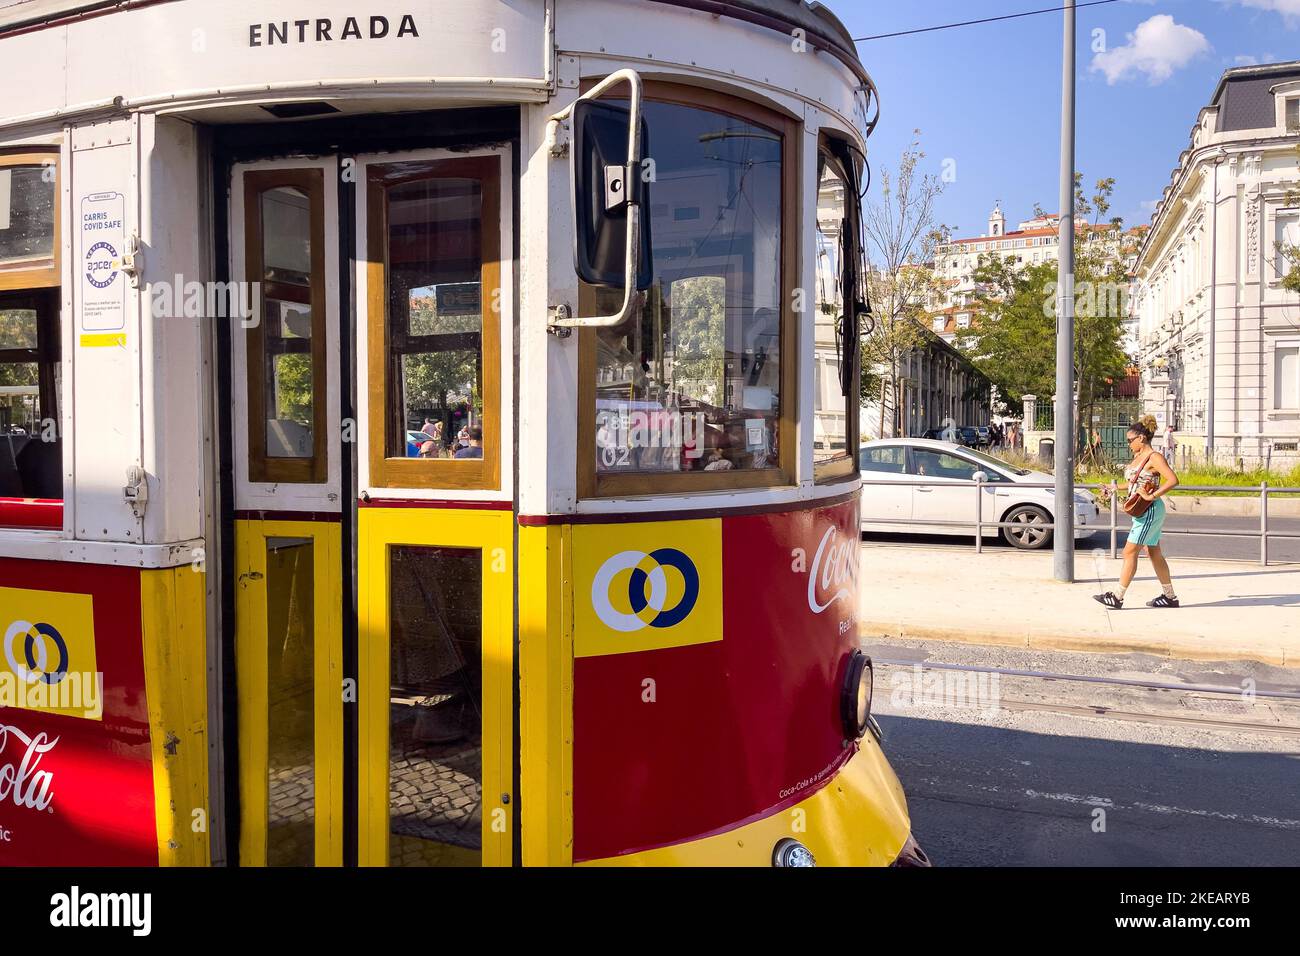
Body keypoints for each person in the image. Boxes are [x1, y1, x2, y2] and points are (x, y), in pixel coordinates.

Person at [1093, 415, 1181, 610]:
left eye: (1130, 440)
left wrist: (1153, 496)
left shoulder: (1154, 457)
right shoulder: (1138, 457)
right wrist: (1114, 488)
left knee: (1129, 552)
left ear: (1141, 438)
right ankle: (1170, 597)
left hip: (1149, 510)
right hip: (1142, 511)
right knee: (1154, 552)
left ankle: (1117, 596)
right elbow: (1135, 483)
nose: (1128, 444)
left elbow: (1172, 480)